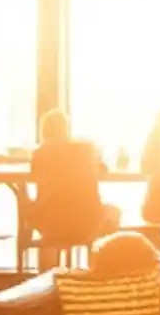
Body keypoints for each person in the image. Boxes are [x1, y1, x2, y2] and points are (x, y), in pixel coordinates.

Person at [30, 109, 119, 255]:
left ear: (43, 132)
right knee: (114, 212)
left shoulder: (40, 154)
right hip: (88, 223)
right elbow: (104, 169)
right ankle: (101, 265)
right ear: (66, 130)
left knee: (35, 208)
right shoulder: (86, 149)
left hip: (51, 225)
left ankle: (47, 271)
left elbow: (35, 176)